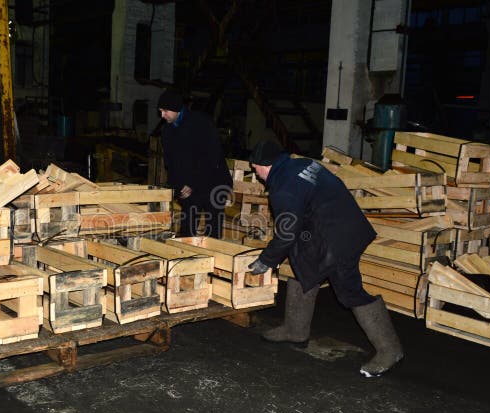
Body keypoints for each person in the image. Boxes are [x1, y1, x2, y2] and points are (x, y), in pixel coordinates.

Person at [246, 139, 404, 377]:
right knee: (303, 265)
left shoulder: (283, 189)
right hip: (332, 225)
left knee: (349, 289)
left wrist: (266, 259)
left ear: (264, 165)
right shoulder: (301, 164)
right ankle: (295, 329)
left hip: (338, 237)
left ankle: (389, 349)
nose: (254, 172)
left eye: (254, 167)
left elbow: (286, 233)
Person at [157, 89, 232, 238]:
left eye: (165, 111)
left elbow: (211, 157)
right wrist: (179, 186)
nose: (162, 115)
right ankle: (186, 257)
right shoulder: (167, 131)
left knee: (213, 228)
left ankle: (213, 257)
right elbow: (170, 163)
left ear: (177, 108)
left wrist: (192, 183)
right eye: (160, 111)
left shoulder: (201, 123)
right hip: (189, 187)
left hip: (213, 181)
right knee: (187, 228)